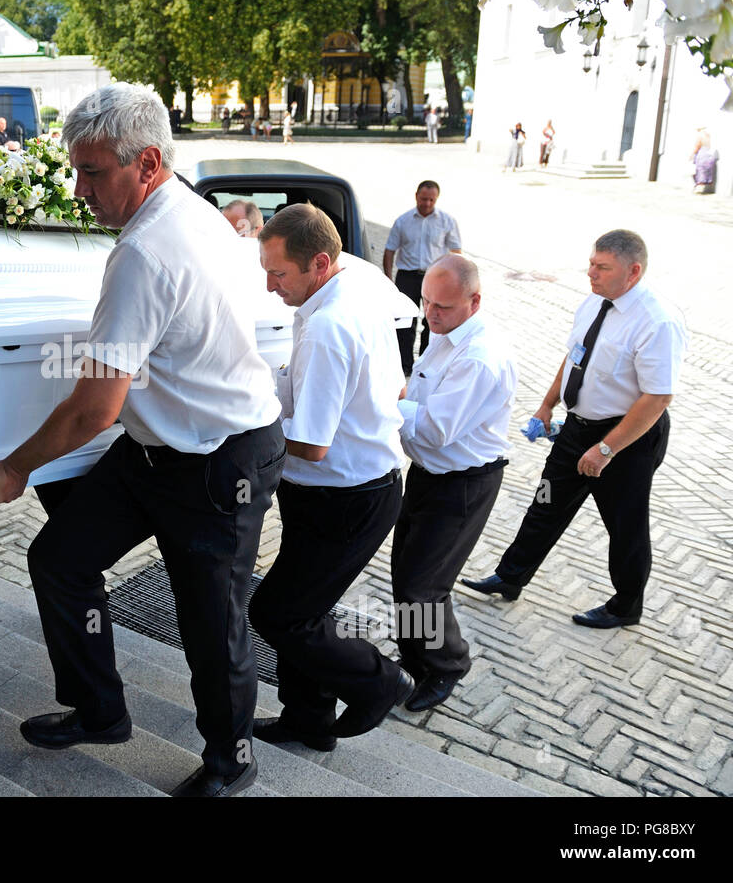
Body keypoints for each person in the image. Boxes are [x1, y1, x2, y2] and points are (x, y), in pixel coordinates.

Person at [0, 83, 285, 798]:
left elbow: (93, 410)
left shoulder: (147, 249)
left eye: (92, 172)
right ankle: (100, 709)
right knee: (60, 558)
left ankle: (232, 759)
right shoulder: (190, 210)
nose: (79, 190)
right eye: (76, 171)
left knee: (211, 622)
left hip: (220, 459)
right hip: (154, 450)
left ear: (145, 163)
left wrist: (17, 465)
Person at [247, 203, 412, 754]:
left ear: (319, 262)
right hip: (347, 487)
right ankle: (308, 720)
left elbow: (312, 444)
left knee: (278, 613)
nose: (270, 288)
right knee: (304, 611)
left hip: (346, 495)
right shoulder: (354, 283)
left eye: (279, 274)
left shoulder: (327, 326)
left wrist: (244, 426)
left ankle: (380, 681)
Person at [464, 231, 685, 628]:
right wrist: (547, 404)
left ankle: (625, 606)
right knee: (545, 504)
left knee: (625, 527)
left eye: (602, 267)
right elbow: (576, 356)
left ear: (633, 272)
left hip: (627, 439)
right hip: (577, 430)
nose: (591, 274)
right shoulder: (595, 303)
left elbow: (656, 398)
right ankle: (511, 576)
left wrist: (605, 450)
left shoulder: (657, 321)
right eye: (591, 264)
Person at [391, 255, 516, 712]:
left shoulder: (480, 359)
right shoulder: (445, 333)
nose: (430, 313)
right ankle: (415, 655)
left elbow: (436, 429)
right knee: (405, 575)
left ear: (474, 301)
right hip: (428, 475)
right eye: (425, 301)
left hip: (462, 485)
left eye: (441, 305)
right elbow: (420, 397)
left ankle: (446, 665)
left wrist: (384, 400)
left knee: (423, 585)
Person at [383, 180, 462, 376]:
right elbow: (390, 250)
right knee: (405, 323)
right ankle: (405, 365)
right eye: (423, 199)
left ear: (436, 199)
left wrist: (454, 279)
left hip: (436, 278)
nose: (427, 203)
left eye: (431, 200)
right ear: (416, 195)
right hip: (407, 277)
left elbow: (456, 251)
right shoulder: (403, 221)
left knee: (433, 323)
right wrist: (388, 278)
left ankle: (428, 364)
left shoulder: (447, 221)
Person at [691, 129, 717, 194]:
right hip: (709, 156)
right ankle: (701, 187)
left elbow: (697, 146)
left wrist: (692, 155)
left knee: (698, 172)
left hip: (701, 156)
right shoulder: (708, 137)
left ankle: (699, 188)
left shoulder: (700, 136)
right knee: (704, 172)